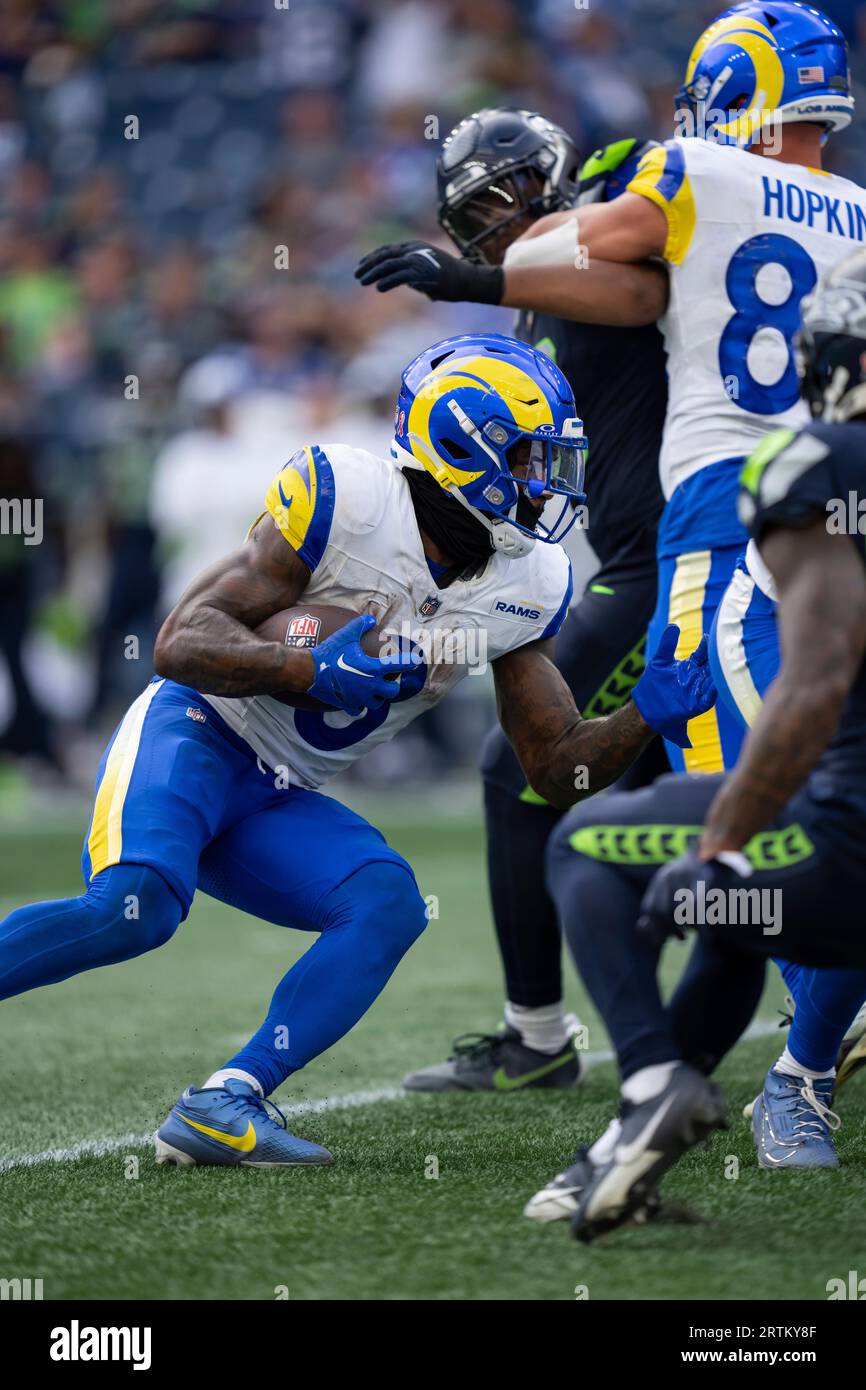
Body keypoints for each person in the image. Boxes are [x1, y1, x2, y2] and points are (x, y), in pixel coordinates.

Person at [0, 333, 715, 1168]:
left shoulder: (529, 582)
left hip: (282, 787)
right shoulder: (348, 499)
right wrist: (304, 667)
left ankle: (227, 1099)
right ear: (461, 446)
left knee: (388, 902)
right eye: (527, 457)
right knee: (137, 908)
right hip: (197, 731)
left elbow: (554, 770)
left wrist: (642, 716)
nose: (543, 482)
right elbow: (180, 641)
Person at [533, 247, 866, 1239]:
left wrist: (724, 835)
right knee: (730, 916)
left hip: (842, 858)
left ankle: (647, 1085)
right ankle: (627, 1144)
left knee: (585, 848)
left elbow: (809, 684)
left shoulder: (817, 466)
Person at [378, 108, 669, 1093]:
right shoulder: (537, 298)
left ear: (553, 183)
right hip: (630, 554)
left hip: (670, 558)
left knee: (522, 770)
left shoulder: (602, 240)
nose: (493, 219)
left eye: (504, 195)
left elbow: (633, 279)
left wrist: (466, 277)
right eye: (475, 210)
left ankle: (541, 1036)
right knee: (628, 784)